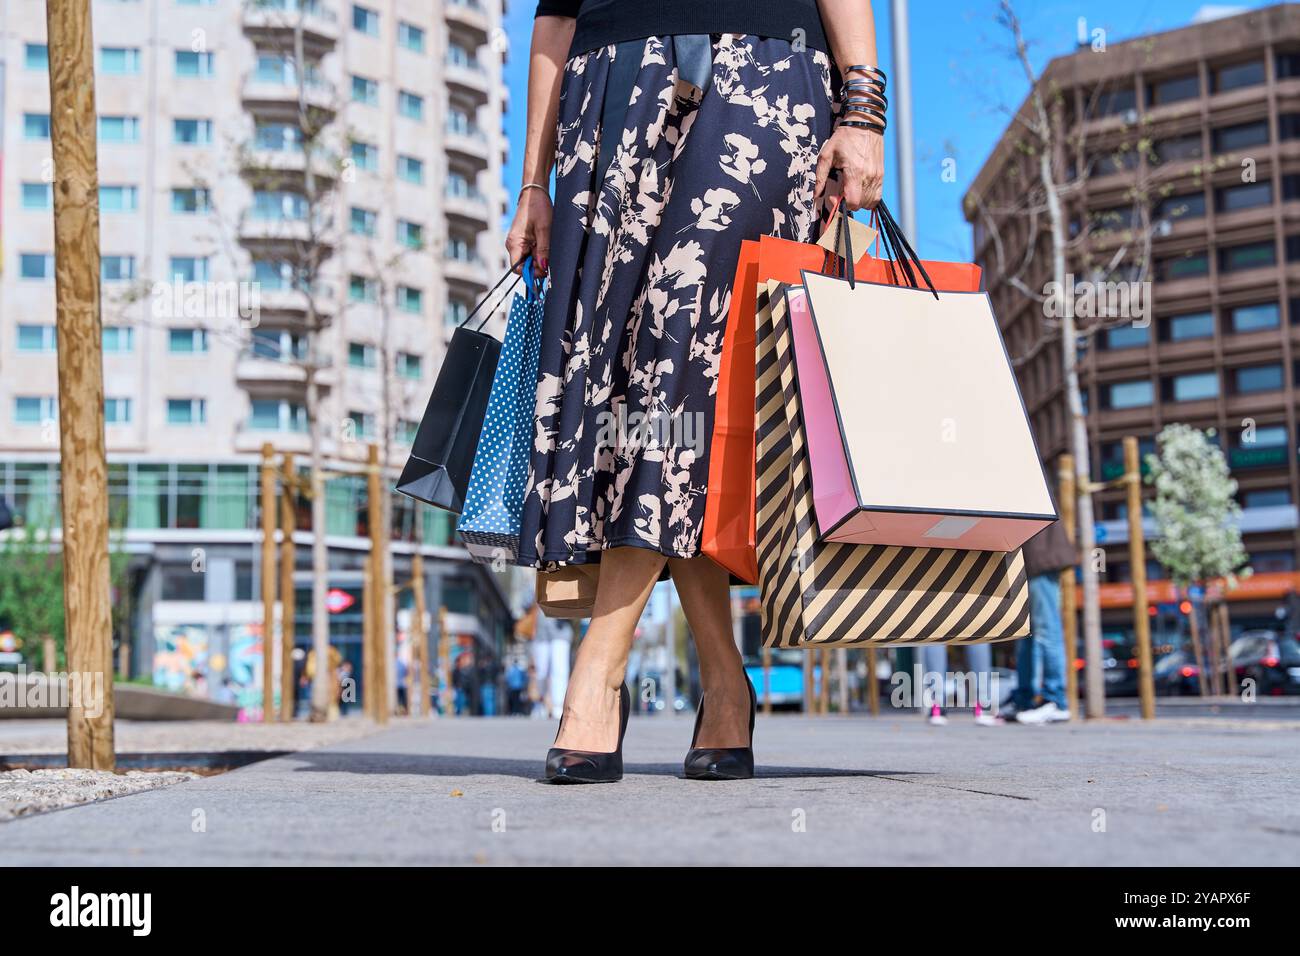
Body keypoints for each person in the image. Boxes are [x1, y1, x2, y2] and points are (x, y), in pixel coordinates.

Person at [509, 0, 885, 783]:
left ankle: (597, 676)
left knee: (676, 368)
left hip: (759, 80)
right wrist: (532, 184)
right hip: (609, 95)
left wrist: (863, 109)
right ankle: (723, 681)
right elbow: (553, 21)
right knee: (635, 390)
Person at [1011, 499, 1077, 724]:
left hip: (1039, 555)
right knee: (1027, 634)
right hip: (1031, 555)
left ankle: (1056, 701)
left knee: (1047, 631)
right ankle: (1025, 699)